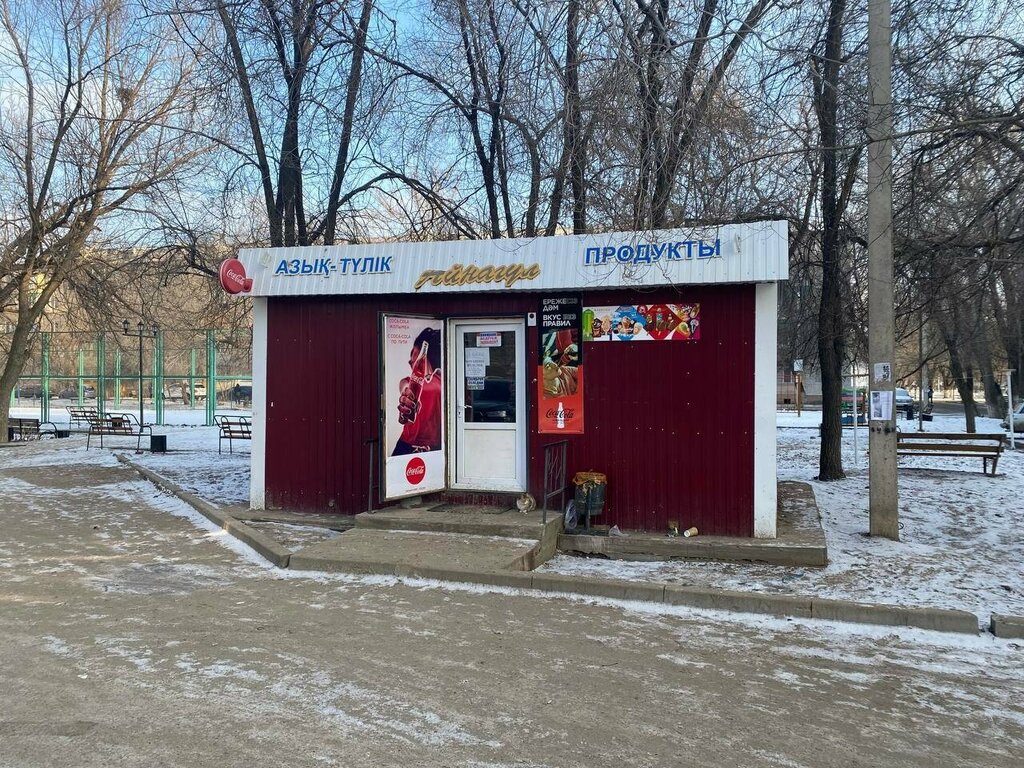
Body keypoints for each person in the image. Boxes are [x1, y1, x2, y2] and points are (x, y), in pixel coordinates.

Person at [392, 327, 442, 456]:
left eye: (413, 352)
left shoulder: (439, 382)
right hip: (418, 445)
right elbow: (406, 384)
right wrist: (406, 392)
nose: (410, 361)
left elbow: (424, 386)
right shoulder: (410, 382)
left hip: (410, 446)